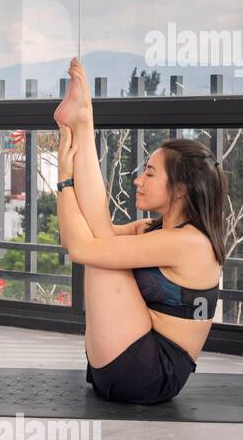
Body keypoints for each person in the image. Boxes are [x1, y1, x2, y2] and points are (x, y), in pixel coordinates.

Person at [54, 57, 226, 404]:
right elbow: (90, 229)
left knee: (99, 254)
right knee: (100, 240)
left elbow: (83, 250)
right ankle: (83, 121)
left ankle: (84, 122)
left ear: (180, 189)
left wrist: (64, 177)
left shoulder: (189, 243)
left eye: (149, 173)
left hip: (151, 372)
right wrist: (82, 130)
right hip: (129, 355)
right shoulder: (154, 229)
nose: (138, 180)